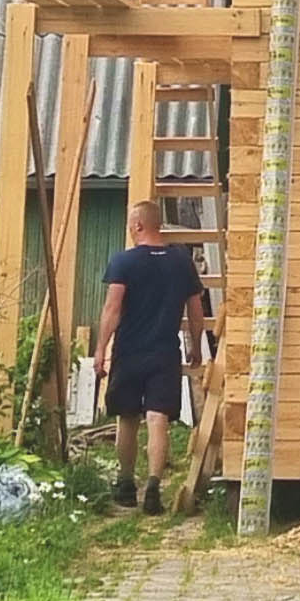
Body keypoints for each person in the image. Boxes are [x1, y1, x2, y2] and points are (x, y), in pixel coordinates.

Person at [96, 200, 210, 514]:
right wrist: (196, 346)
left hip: (129, 352)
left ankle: (125, 484)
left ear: (138, 225)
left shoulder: (123, 261)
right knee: (158, 419)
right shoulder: (181, 262)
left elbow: (112, 309)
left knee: (128, 417)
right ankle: (153, 488)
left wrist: (101, 348)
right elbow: (195, 310)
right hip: (164, 352)